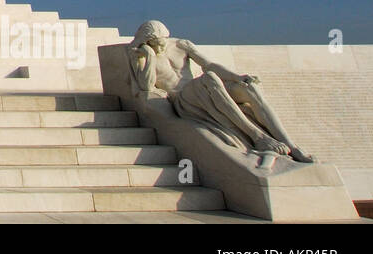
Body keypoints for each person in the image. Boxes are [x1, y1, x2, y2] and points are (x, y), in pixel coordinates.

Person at [128, 19, 313, 162]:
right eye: (154, 43)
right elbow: (145, 86)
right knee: (209, 78)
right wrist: (149, 56)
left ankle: (291, 145)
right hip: (183, 99)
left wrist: (237, 77)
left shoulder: (181, 45)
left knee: (249, 88)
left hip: (204, 87)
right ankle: (258, 137)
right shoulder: (141, 53)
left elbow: (209, 65)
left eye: (162, 41)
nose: (160, 46)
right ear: (146, 40)